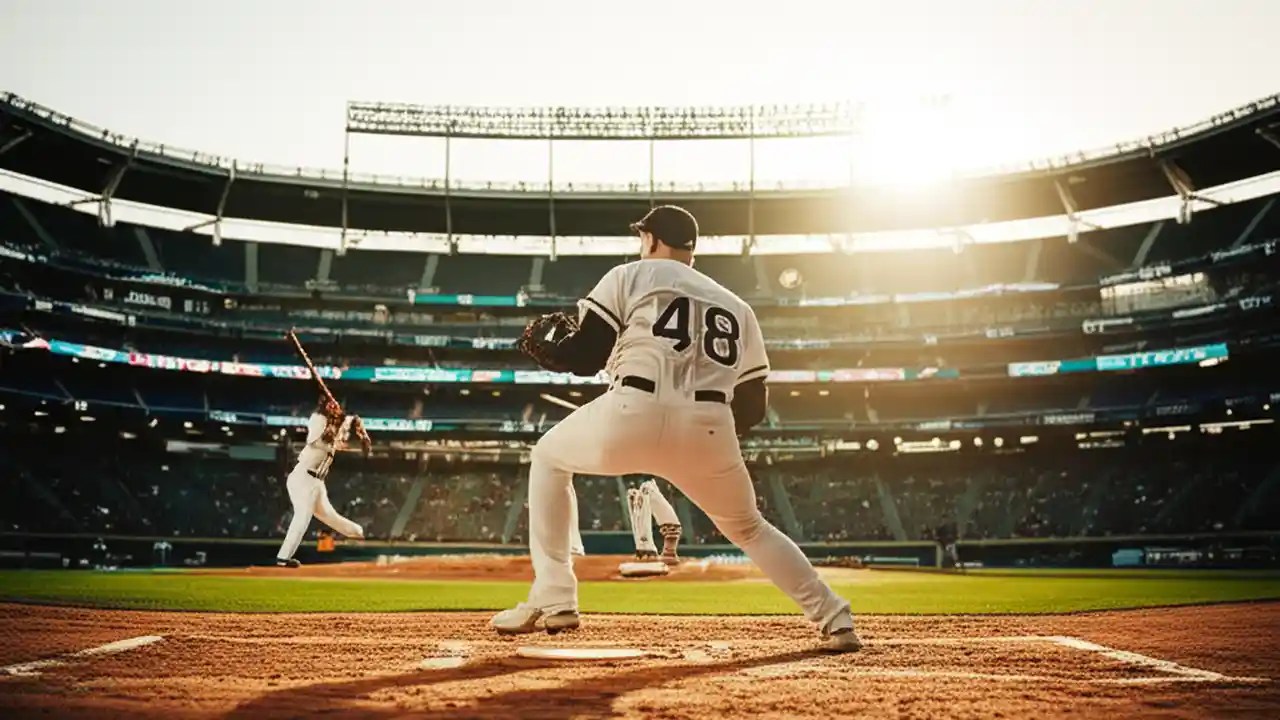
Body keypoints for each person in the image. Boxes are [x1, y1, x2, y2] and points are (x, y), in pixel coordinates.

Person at [491, 206, 860, 651]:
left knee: (549, 457)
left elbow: (587, 357)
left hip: (633, 409)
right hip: (709, 424)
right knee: (749, 529)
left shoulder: (630, 275)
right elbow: (752, 406)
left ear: (650, 239)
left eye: (641, 238)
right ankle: (834, 618)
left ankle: (556, 598)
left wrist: (552, 354)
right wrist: (704, 436)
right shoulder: (737, 307)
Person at [274, 396, 366, 567]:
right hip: (303, 478)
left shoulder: (334, 425)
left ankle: (358, 533)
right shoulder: (318, 419)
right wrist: (337, 435)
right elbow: (315, 442)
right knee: (302, 517)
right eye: (331, 405)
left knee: (330, 516)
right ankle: (283, 558)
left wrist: (355, 421)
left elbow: (345, 427)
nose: (334, 407)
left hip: (317, 482)